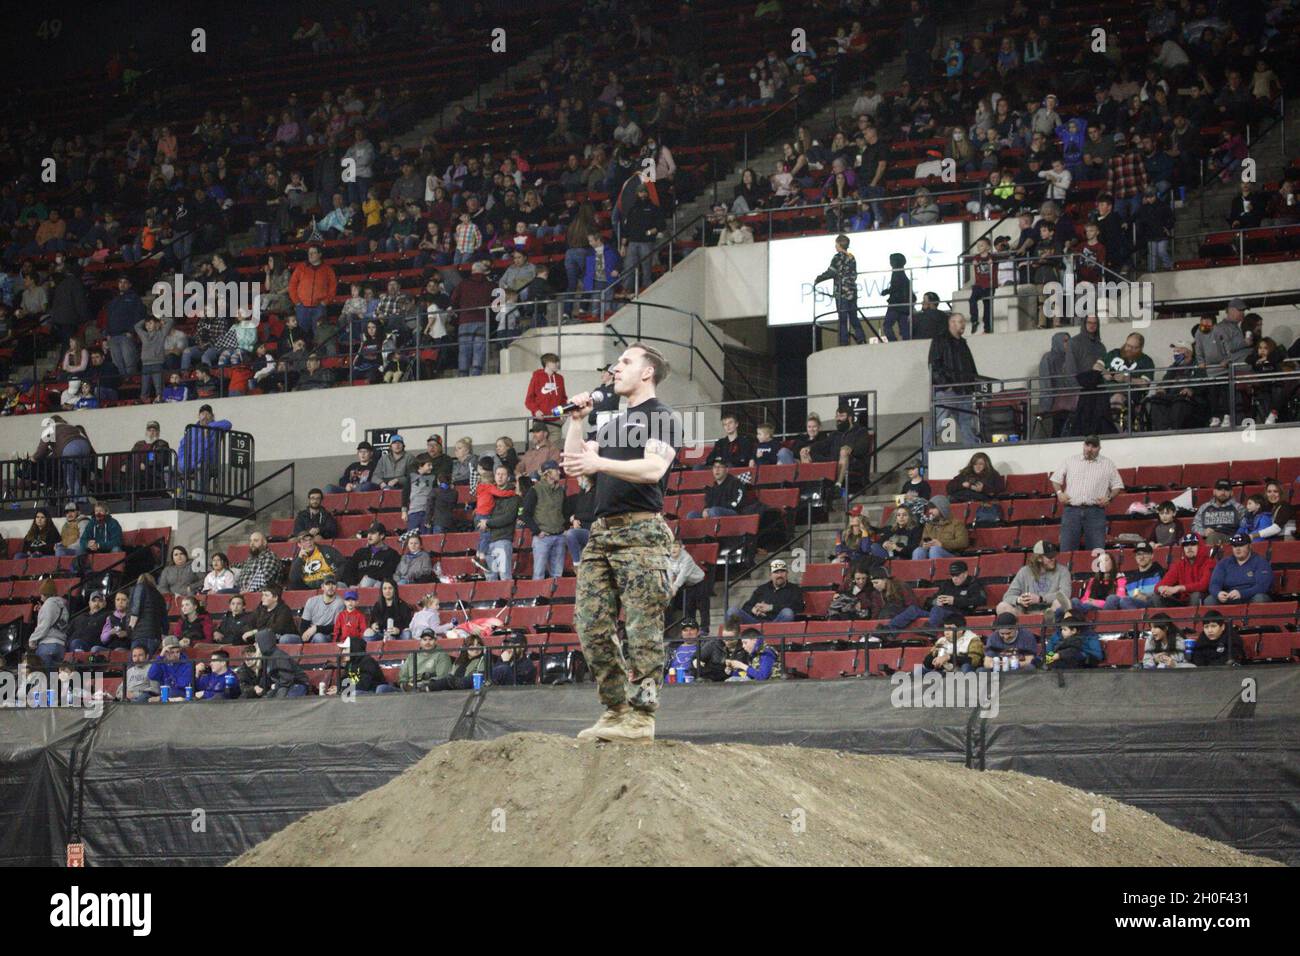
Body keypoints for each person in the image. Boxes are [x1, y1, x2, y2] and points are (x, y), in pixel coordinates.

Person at [561, 343, 679, 744]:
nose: (616, 368)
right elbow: (576, 467)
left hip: (642, 533)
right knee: (590, 624)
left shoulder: (661, 417)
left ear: (647, 373)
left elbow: (654, 468)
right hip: (602, 532)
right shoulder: (609, 424)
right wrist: (578, 423)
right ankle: (615, 709)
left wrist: (601, 463)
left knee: (643, 627)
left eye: (626, 362)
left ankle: (642, 715)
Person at [1051, 435, 1124, 553]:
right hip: (1071, 510)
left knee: (1096, 551)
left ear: (1100, 448)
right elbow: (1055, 479)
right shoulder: (1070, 461)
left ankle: (1095, 572)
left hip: (1095, 511)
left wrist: (1109, 498)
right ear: (1083, 445)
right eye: (1087, 445)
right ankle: (1067, 572)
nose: (1089, 449)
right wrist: (1059, 493)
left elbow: (1117, 486)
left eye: (1094, 446)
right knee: (1066, 550)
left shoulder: (1107, 464)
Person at [929, 314, 980, 446]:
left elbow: (969, 366)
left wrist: (973, 385)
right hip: (949, 392)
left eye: (963, 322)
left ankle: (973, 456)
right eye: (960, 322)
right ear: (951, 323)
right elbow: (934, 365)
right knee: (938, 425)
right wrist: (946, 386)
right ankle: (924, 457)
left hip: (963, 391)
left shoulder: (962, 343)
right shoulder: (940, 340)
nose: (963, 324)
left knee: (967, 425)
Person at [32, 415, 96, 510]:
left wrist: (34, 458)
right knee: (75, 472)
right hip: (85, 447)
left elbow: (42, 450)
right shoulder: (72, 427)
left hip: (70, 448)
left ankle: (78, 499)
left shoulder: (50, 429)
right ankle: (80, 497)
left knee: (69, 471)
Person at [997, 541, 1072, 619]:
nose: (1053, 559)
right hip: (1024, 612)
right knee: (1002, 606)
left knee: (1061, 602)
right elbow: (1007, 596)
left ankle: (1049, 624)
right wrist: (1019, 600)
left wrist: (1041, 599)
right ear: (1039, 558)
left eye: (1054, 555)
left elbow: (1065, 594)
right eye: (1049, 557)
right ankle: (1022, 625)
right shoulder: (1024, 571)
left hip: (1051, 610)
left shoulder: (1063, 571)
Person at [814, 234, 864, 346]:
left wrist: (818, 278)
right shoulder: (852, 257)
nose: (835, 246)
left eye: (836, 244)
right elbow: (854, 274)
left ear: (839, 244)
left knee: (842, 318)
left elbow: (831, 272)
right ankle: (861, 338)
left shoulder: (837, 257)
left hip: (841, 293)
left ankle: (844, 342)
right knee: (853, 317)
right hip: (852, 291)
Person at [728, 559, 805, 624]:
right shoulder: (762, 589)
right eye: (776, 572)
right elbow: (746, 606)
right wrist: (753, 610)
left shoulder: (795, 589)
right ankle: (731, 641)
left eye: (782, 572)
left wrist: (771, 607)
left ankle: (775, 638)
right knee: (732, 611)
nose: (779, 575)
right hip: (756, 622)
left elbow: (798, 607)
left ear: (787, 574)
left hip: (777, 624)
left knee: (787, 613)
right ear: (770, 575)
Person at [1207, 533, 1273, 606]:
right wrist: (1218, 593)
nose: (1237, 549)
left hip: (1251, 597)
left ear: (1250, 546)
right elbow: (1214, 583)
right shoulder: (1224, 563)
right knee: (1210, 600)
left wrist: (1242, 593)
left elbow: (1262, 586)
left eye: (1241, 545)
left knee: (1260, 598)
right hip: (1229, 597)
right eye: (1235, 546)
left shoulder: (1260, 562)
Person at [247, 629, 310, 698]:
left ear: (264, 642)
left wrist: (276, 686)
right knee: (266, 699)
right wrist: (260, 688)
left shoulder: (279, 656)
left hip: (297, 683)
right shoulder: (266, 657)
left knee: (282, 700)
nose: (254, 644)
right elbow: (265, 678)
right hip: (282, 685)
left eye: (257, 642)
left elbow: (287, 678)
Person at [927, 561, 988, 629]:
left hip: (959, 614)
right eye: (952, 575)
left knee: (937, 610)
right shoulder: (947, 584)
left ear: (965, 574)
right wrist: (936, 601)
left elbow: (981, 600)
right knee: (913, 610)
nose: (954, 578)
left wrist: (955, 601)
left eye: (957, 575)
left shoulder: (974, 584)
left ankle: (930, 632)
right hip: (939, 612)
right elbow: (928, 601)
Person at [28, 579, 70, 665]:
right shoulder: (62, 605)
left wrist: (32, 639)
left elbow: (44, 626)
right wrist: (42, 610)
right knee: (54, 677)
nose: (40, 596)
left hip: (47, 646)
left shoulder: (48, 604)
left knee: (44, 676)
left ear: (45, 594)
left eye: (42, 593)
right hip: (60, 647)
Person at [1192, 479, 1246, 546]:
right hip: (1207, 539)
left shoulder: (1239, 508)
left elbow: (1245, 526)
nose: (1223, 492)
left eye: (1226, 490)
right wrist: (1204, 532)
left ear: (1231, 493)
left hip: (1231, 539)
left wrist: (1236, 536)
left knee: (1213, 536)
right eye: (1220, 489)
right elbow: (1194, 527)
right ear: (1214, 492)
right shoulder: (1204, 507)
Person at [912, 495, 968, 560]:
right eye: (929, 508)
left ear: (942, 508)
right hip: (930, 552)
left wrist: (942, 544)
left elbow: (963, 542)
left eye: (933, 508)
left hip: (951, 555)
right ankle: (917, 570)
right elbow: (922, 542)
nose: (930, 511)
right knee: (918, 551)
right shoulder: (928, 525)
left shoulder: (956, 524)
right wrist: (924, 545)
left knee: (935, 549)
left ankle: (938, 570)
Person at [348, 523, 400, 587]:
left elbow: (388, 574)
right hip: (358, 586)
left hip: (379, 586)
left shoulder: (391, 553)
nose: (369, 536)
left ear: (382, 535)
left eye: (373, 533)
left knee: (367, 581)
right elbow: (349, 570)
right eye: (368, 533)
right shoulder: (359, 552)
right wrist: (354, 584)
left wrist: (369, 576)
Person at [144, 636, 195, 701]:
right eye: (172, 652)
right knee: (144, 698)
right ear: (165, 652)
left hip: (182, 697)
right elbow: (152, 676)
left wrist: (170, 681)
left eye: (177, 652)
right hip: (166, 696)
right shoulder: (162, 662)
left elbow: (185, 683)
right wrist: (160, 656)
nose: (175, 655)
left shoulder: (187, 663)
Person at [524, 353, 568, 422]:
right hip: (540, 422)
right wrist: (536, 411)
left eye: (557, 362)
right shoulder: (537, 377)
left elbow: (563, 399)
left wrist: (563, 411)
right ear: (547, 363)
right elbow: (529, 400)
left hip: (556, 422)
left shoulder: (560, 379)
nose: (557, 364)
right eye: (554, 362)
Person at [882, 253, 913, 341]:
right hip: (904, 306)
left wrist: (887, 291)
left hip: (895, 305)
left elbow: (895, 287)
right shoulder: (903, 275)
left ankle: (894, 343)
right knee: (904, 329)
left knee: (887, 326)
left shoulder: (896, 274)